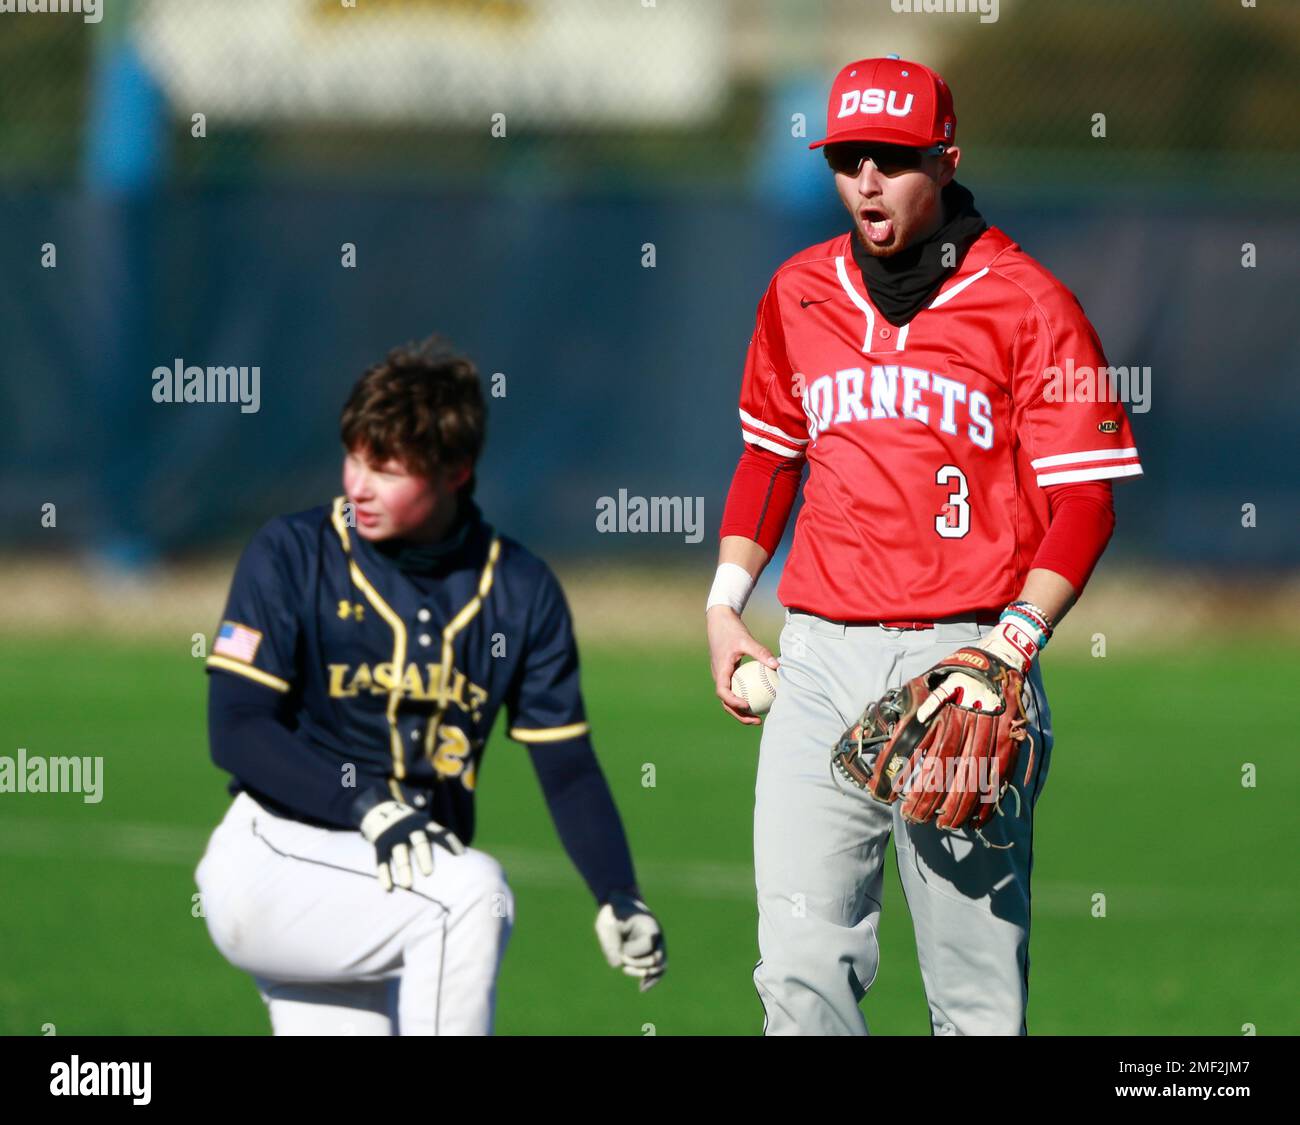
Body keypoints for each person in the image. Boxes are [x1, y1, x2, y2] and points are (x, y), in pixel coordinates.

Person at [705, 56, 1142, 1035]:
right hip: (814, 660)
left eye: (892, 158)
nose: (865, 178)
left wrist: (1012, 646)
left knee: (975, 996)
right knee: (799, 972)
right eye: (846, 156)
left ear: (944, 161)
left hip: (966, 665)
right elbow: (769, 459)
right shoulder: (797, 292)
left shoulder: (1030, 303)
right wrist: (724, 606)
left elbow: (1086, 502)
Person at [195, 336, 665, 1036]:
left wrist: (617, 890)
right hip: (274, 859)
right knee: (473, 892)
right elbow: (236, 727)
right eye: (355, 456)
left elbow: (566, 767)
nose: (358, 484)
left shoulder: (518, 589)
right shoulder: (295, 552)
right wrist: (365, 804)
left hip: (392, 886)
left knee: (452, 893)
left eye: (387, 469)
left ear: (456, 471)